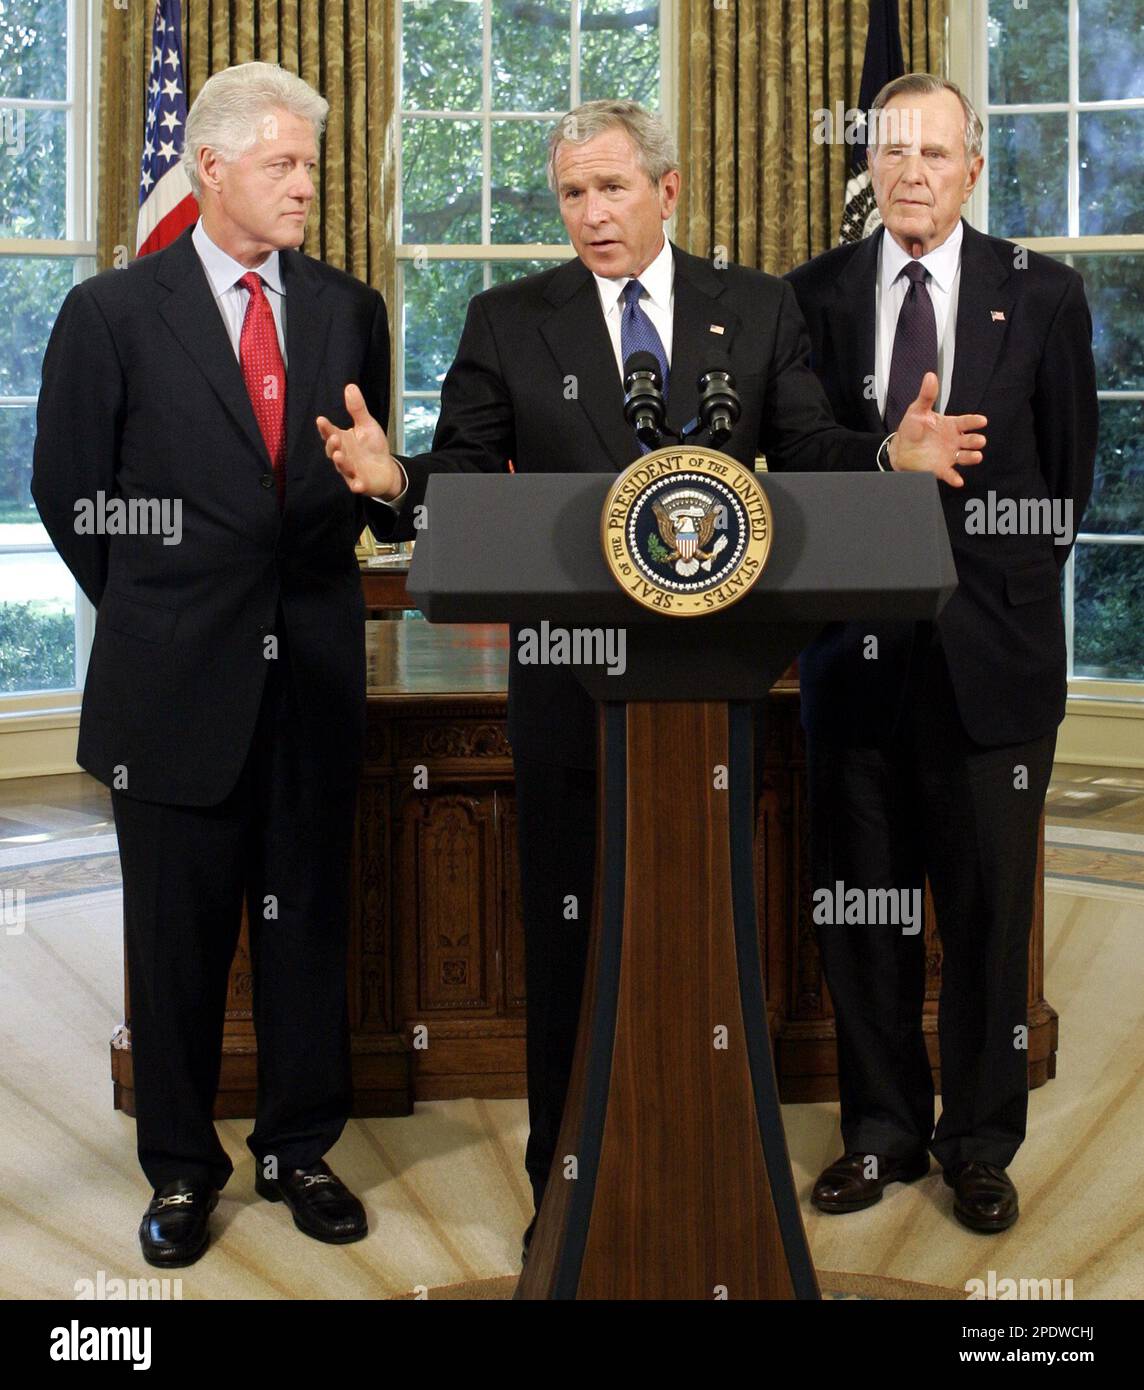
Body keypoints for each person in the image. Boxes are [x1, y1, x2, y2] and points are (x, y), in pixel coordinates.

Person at [316, 98, 988, 1262]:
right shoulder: (507, 318)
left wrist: (890, 456)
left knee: (701, 945)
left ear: (666, 191)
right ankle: (563, 1196)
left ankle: (712, 1169)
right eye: (571, 194)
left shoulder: (755, 306)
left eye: (612, 189)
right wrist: (393, 480)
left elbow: (812, 456)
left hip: (709, 692)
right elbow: (470, 478)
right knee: (571, 939)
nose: (590, 215)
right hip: (570, 694)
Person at [32, 62, 390, 1266]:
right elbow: (71, 496)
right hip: (170, 684)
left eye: (311, 165)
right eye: (284, 163)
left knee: (304, 930)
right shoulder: (113, 314)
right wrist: (159, 612)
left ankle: (299, 1147)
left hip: (313, 684)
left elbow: (359, 475)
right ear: (213, 167)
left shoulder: (347, 309)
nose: (305, 185)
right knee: (177, 944)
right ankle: (183, 1168)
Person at [779, 74, 1097, 1233]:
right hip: (853, 663)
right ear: (866, 164)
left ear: (971, 167)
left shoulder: (1043, 294)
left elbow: (1064, 479)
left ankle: (977, 1140)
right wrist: (883, 458)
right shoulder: (806, 297)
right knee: (861, 913)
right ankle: (879, 1130)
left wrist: (996, 593)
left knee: (985, 917)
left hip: (992, 668)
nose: (911, 171)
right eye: (890, 151)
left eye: (934, 152)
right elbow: (792, 463)